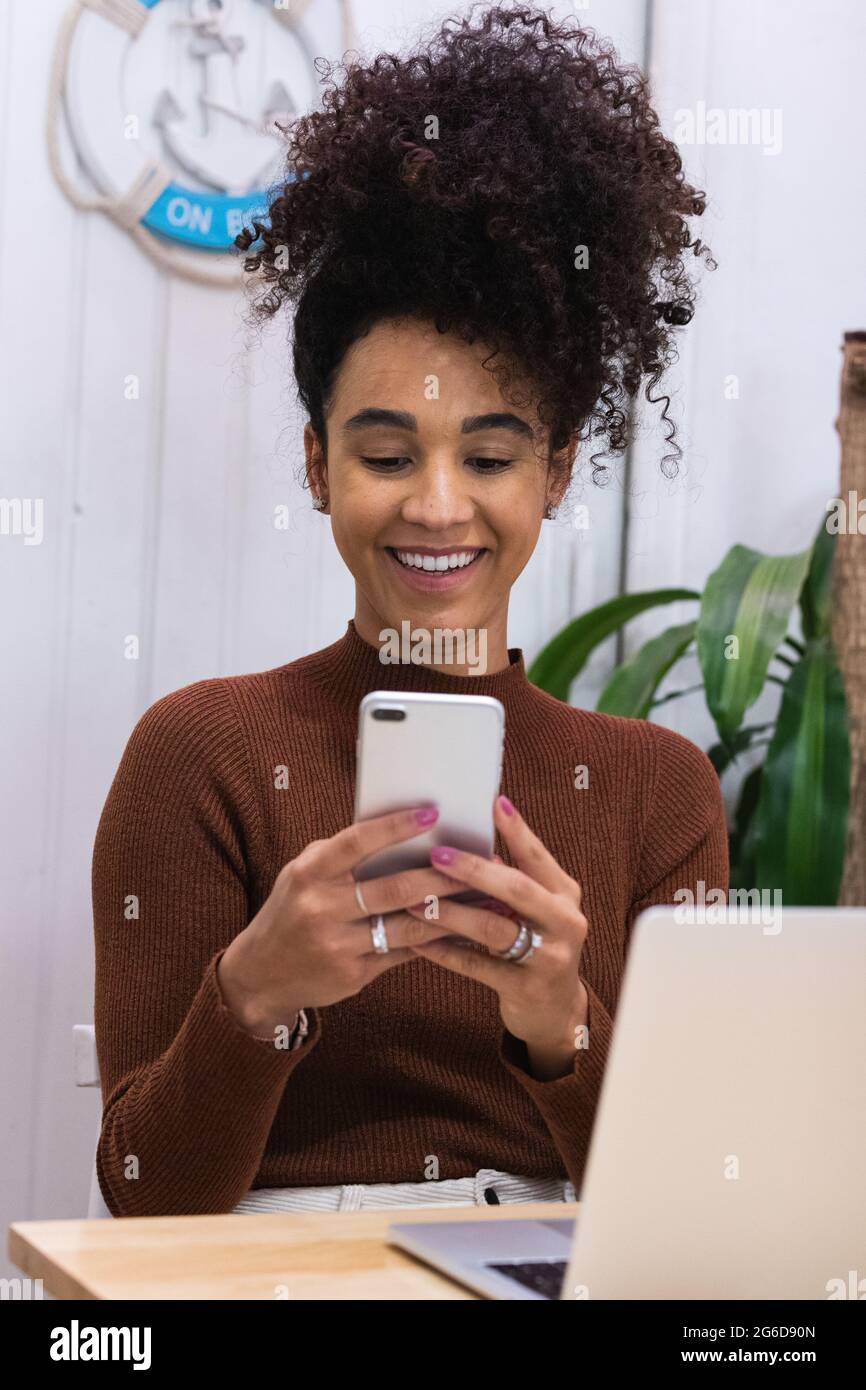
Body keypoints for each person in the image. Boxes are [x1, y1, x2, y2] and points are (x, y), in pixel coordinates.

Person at [92, 3, 727, 1218]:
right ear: (317, 464)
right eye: (386, 454)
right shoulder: (200, 755)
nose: (437, 506)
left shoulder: (656, 791)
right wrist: (254, 993)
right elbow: (143, 1202)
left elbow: (691, 1211)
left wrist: (558, 1021)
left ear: (553, 471)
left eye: (488, 457)